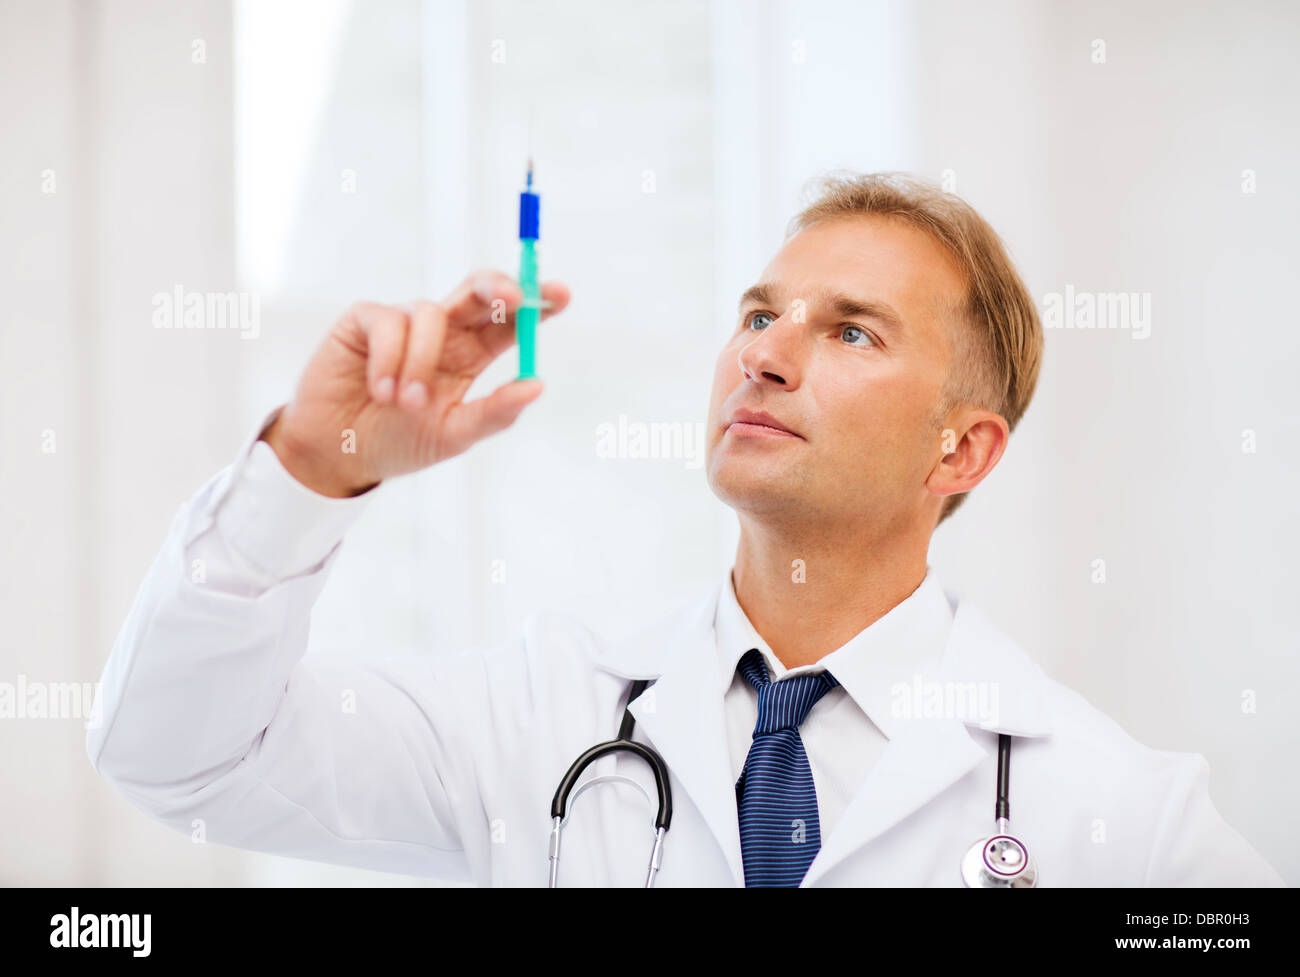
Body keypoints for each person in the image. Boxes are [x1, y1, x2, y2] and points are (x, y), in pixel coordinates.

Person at [87, 173, 1283, 887]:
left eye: (850, 330)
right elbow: (176, 753)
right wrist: (308, 464)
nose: (761, 350)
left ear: (959, 450)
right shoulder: (540, 716)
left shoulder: (1122, 812)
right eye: (759, 313)